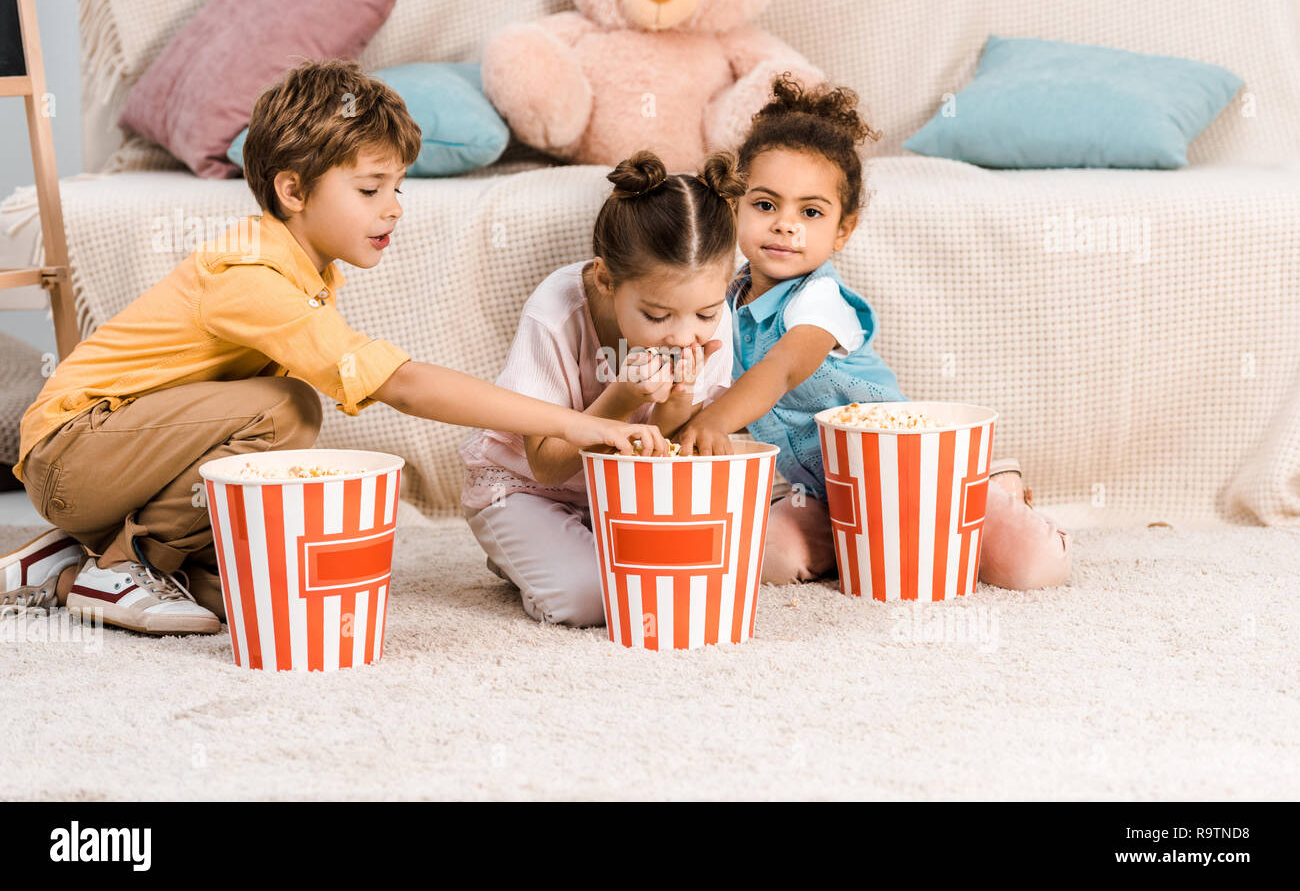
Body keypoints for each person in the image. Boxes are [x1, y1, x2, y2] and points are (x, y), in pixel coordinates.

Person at [0, 59, 667, 634]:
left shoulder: (309, 271)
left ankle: (71, 563)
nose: (395, 207)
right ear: (292, 189)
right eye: (371, 188)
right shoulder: (252, 275)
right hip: (73, 449)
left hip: (112, 460)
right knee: (286, 409)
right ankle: (124, 563)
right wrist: (575, 423)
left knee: (252, 597)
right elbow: (400, 383)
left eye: (398, 187)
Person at [675, 77, 1071, 589]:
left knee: (1027, 567)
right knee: (768, 557)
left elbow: (783, 368)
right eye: (766, 205)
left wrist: (712, 423)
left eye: (810, 212)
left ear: (843, 229)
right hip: (820, 494)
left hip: (909, 475)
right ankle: (860, 539)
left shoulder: (820, 300)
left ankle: (989, 487)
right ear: (733, 208)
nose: (785, 225)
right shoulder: (722, 306)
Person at [461, 150, 743, 625]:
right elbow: (546, 465)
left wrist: (678, 401)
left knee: (692, 579)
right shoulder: (556, 309)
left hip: (619, 495)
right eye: (657, 315)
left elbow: (669, 448)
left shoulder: (708, 320)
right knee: (592, 599)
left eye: (705, 314)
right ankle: (525, 550)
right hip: (529, 490)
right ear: (607, 278)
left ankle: (555, 553)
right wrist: (623, 397)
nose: (683, 335)